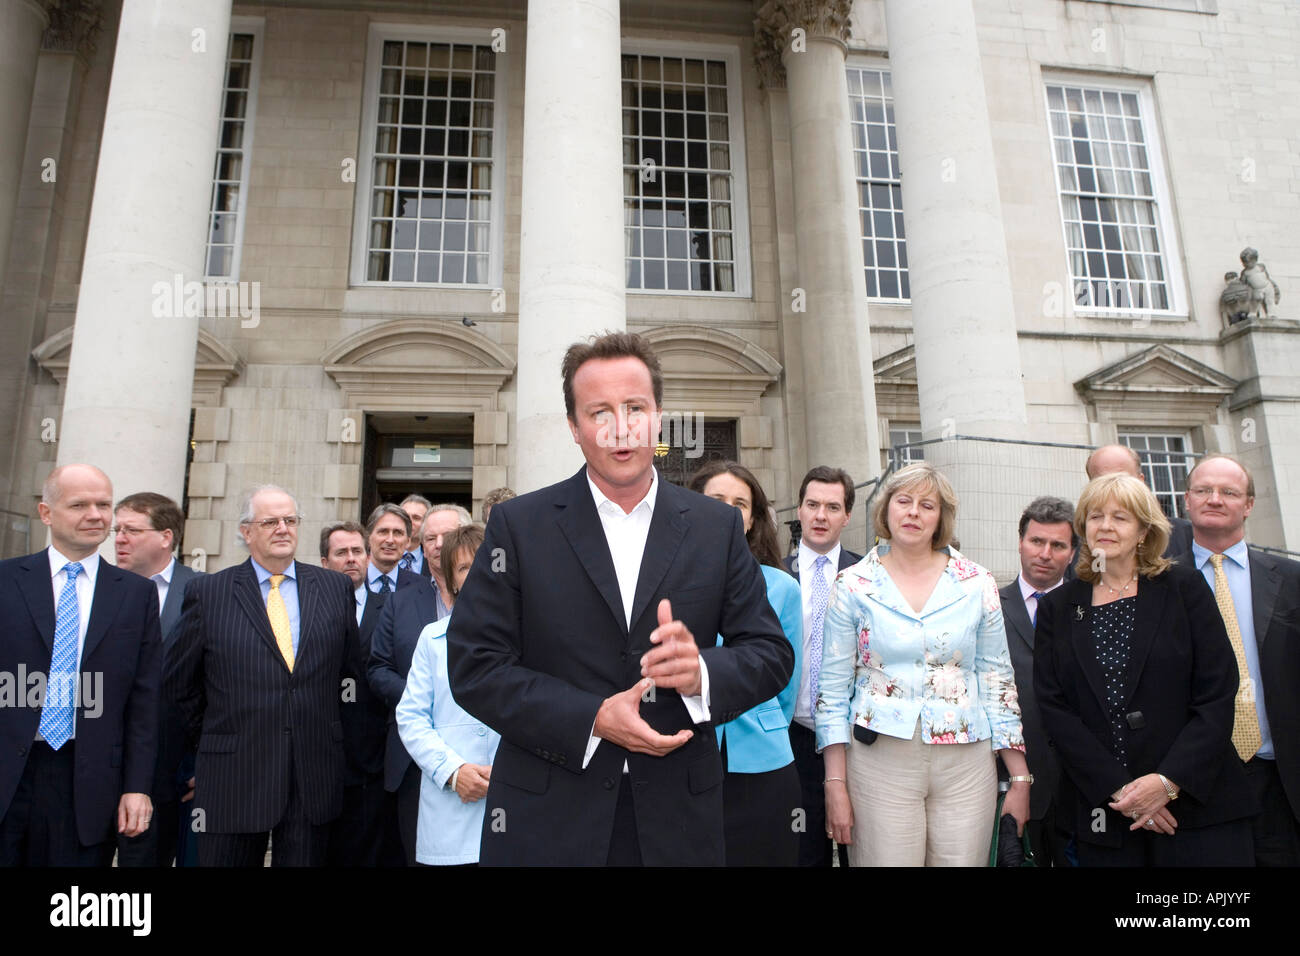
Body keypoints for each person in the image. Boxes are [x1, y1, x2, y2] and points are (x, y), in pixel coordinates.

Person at [447, 331, 793, 866]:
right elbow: (475, 666)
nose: (621, 428)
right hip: (548, 820)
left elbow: (770, 653)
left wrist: (702, 671)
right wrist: (591, 718)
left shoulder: (714, 526)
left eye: (635, 407)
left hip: (680, 821)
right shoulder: (519, 527)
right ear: (573, 427)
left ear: (659, 417)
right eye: (599, 412)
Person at [1034, 473, 1254, 866]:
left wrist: (1167, 783)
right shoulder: (1059, 607)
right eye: (1095, 516)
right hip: (1106, 813)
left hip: (1197, 807)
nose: (1105, 526)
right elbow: (1055, 707)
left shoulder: (1183, 588)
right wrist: (1122, 792)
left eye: (1120, 517)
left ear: (1143, 531)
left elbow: (1218, 691)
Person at [817, 462, 1028, 866]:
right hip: (879, 759)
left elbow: (998, 678)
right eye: (904, 501)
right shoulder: (852, 584)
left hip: (967, 761)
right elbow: (831, 689)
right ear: (887, 509)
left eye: (927, 505)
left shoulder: (976, 582)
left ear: (941, 518)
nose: (913, 512)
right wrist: (835, 782)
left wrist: (1018, 777)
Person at [165, 485, 363, 866]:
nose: (283, 528)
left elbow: (349, 677)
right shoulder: (209, 593)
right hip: (232, 777)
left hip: (312, 777)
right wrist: (212, 742)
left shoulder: (334, 588)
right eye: (270, 521)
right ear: (246, 531)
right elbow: (178, 686)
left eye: (290, 520)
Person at [0, 464, 160, 866]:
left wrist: (137, 787)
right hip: (8, 775)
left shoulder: (136, 595)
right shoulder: (5, 582)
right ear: (46, 513)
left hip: (90, 784)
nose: (96, 515)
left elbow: (145, 701)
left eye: (103, 504)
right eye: (80, 504)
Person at [1180, 453, 1300, 865]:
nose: (1215, 499)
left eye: (1229, 492)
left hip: (1279, 780)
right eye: (1203, 490)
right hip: (1193, 782)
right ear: (1186, 500)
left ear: (1248, 505)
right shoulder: (1157, 582)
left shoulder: (1290, 580)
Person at [688, 461, 802, 866]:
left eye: (740, 504)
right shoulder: (667, 578)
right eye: (717, 500)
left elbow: (785, 684)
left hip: (761, 760)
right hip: (682, 756)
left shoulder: (783, 587)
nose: (729, 511)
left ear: (752, 521)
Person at [367, 503, 469, 864]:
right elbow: (378, 668)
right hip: (415, 762)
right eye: (430, 538)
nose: (439, 544)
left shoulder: (497, 600)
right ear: (420, 546)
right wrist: (420, 698)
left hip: (481, 762)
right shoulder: (400, 601)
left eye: (449, 536)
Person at [397, 523, 499, 865]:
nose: (475, 574)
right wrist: (453, 771)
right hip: (450, 815)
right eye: (464, 567)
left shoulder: (532, 637)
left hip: (514, 808)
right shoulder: (432, 639)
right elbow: (411, 718)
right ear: (452, 580)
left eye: (482, 562)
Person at [113, 491, 201, 868]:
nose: (118, 538)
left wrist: (206, 763)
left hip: (174, 774)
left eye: (131, 530)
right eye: (117, 529)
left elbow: (219, 685)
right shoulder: (95, 589)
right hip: (98, 768)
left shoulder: (202, 591)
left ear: (166, 537)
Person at [783, 465, 862, 867]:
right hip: (793, 735)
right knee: (802, 849)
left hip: (857, 739)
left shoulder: (870, 576)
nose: (820, 516)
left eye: (832, 507)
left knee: (860, 847)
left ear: (847, 515)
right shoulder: (775, 576)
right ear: (799, 509)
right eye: (812, 505)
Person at [1000, 496, 1076, 866]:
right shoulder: (989, 606)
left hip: (1079, 789)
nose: (1045, 553)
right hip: (1011, 784)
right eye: (1036, 541)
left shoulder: (1091, 608)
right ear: (1020, 542)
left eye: (1058, 545)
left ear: (1073, 551)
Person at [321, 521, 400, 866]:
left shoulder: (392, 607)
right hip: (320, 758)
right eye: (341, 553)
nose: (351, 559)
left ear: (368, 558)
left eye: (357, 552)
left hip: (372, 760)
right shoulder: (307, 609)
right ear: (325, 561)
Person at [1085, 444, 1193, 557]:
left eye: (1122, 479)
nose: (1113, 487)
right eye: (1102, 481)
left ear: (1141, 481)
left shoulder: (1185, 536)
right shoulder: (1073, 545)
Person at [365, 504, 412, 594]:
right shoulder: (351, 583)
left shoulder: (421, 587)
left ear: (408, 541)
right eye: (383, 532)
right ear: (368, 538)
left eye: (397, 533)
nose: (390, 540)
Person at [398, 495, 431, 577]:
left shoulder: (433, 559)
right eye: (405, 517)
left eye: (416, 518)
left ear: (426, 524)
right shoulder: (383, 555)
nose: (409, 522)